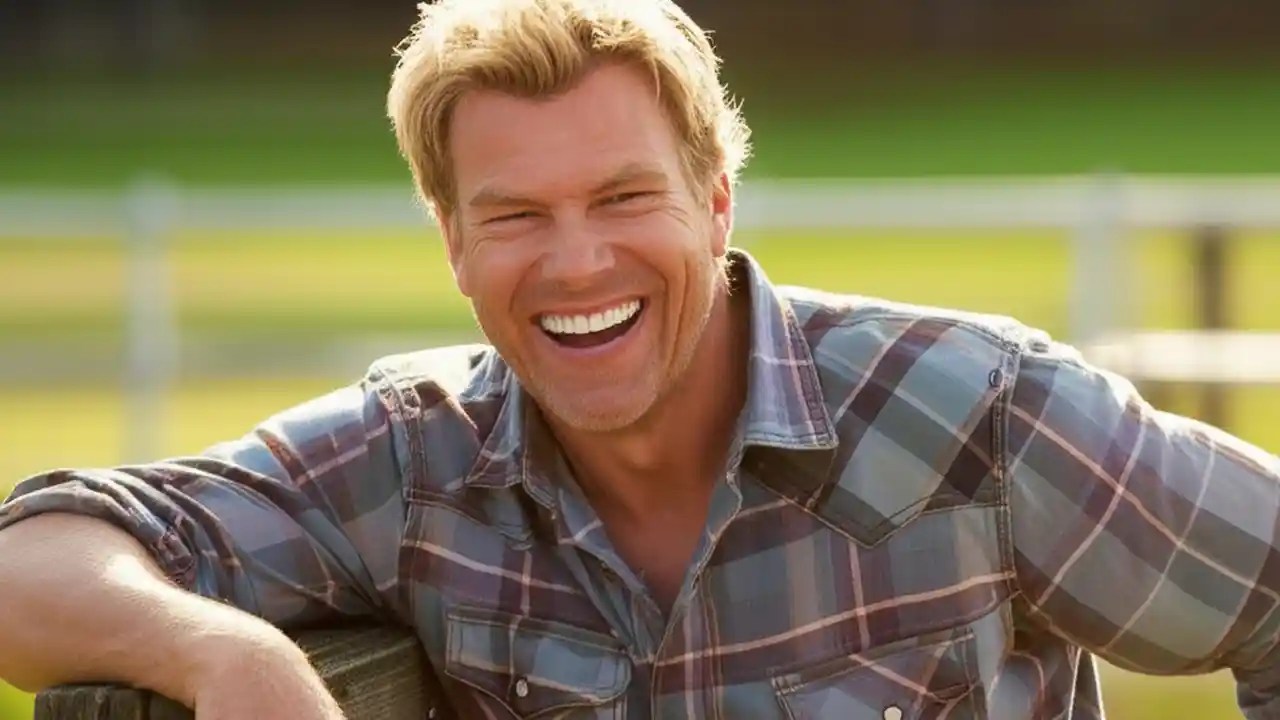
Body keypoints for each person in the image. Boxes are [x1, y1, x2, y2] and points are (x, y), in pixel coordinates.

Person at [3, 1, 1280, 718]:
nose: (575, 265)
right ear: (452, 243)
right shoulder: (413, 459)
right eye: (514, 216)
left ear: (716, 204)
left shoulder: (975, 415)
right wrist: (230, 658)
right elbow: (34, 554)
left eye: (624, 198)